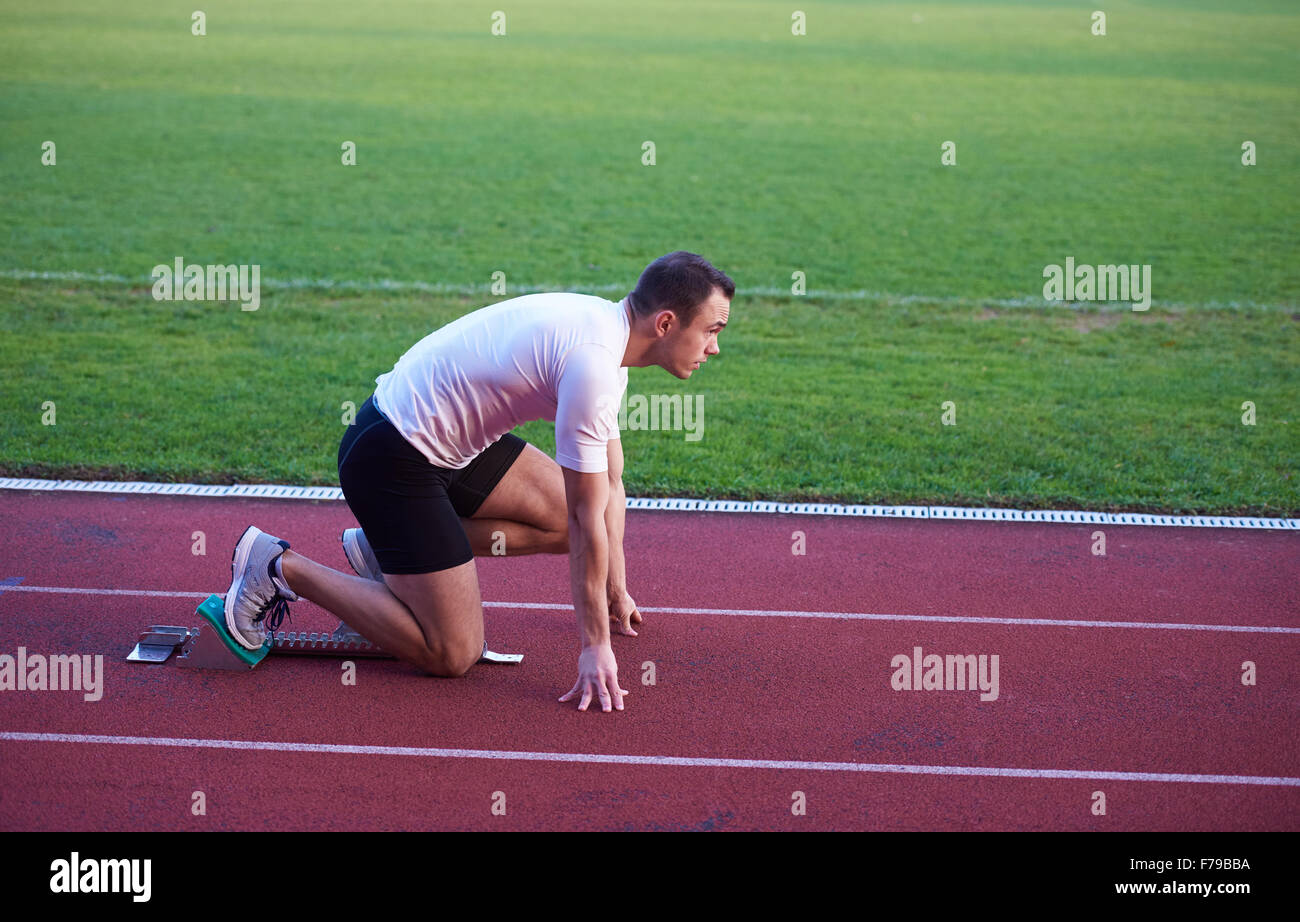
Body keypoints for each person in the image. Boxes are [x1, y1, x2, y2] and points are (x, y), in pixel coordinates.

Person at [223, 251, 733, 712]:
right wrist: (594, 646)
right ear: (666, 322)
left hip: (451, 446)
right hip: (391, 456)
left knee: (574, 516)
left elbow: (611, 485)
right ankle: (278, 565)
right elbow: (586, 518)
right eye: (712, 330)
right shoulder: (594, 363)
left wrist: (615, 591)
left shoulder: (611, 336)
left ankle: (389, 554)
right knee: (452, 653)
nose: (714, 348)